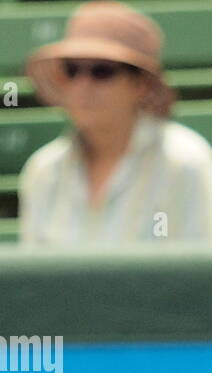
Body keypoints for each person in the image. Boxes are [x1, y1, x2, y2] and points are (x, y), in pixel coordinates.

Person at [19, 1, 212, 245]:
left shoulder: (185, 163)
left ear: (140, 84)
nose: (83, 86)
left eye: (102, 71)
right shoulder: (44, 171)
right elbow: (36, 277)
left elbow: (200, 274)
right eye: (72, 69)